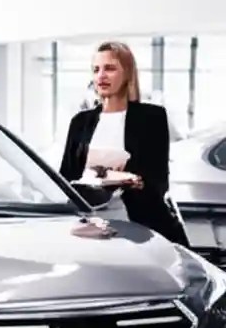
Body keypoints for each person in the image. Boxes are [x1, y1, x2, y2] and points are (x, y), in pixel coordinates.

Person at [59, 40, 190, 247]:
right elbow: (66, 178)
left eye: (110, 68)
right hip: (92, 226)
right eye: (96, 70)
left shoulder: (152, 117)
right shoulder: (80, 122)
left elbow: (157, 181)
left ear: (127, 73)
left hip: (143, 224)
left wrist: (122, 180)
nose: (101, 76)